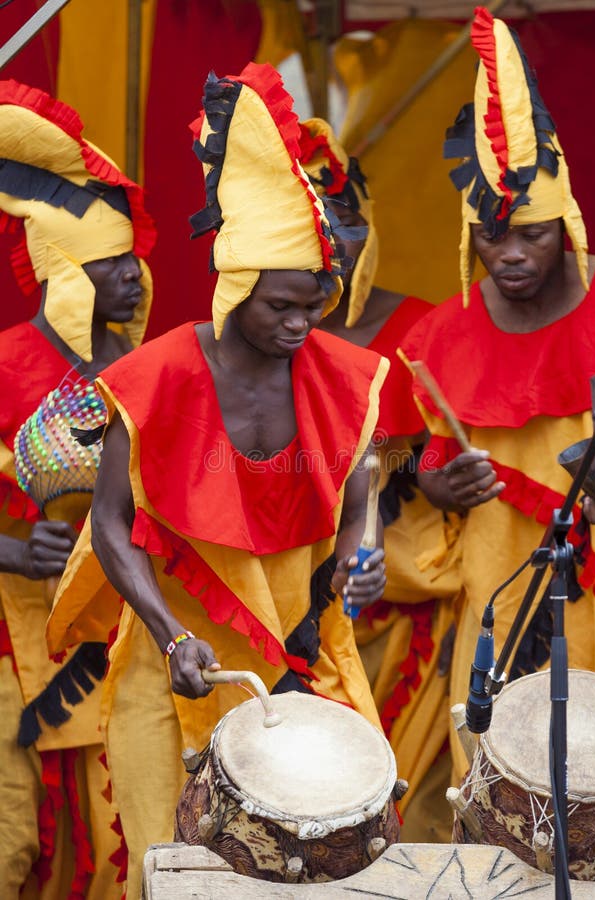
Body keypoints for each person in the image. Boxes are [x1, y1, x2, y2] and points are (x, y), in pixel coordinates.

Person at [47, 63, 389, 899]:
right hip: (174, 664)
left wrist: (364, 551)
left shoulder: (342, 375)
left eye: (315, 304)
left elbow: (362, 489)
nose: (302, 324)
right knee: (175, 878)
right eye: (282, 306)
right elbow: (110, 524)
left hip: (305, 659)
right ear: (236, 288)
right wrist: (169, 636)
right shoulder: (156, 376)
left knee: (334, 872)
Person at [402, 6, 595, 786]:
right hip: (500, 598)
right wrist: (431, 481)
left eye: (531, 235)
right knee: (505, 782)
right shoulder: (436, 337)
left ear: (567, 223)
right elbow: (396, 473)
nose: (508, 255)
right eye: (489, 236)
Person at [0, 81, 156, 898]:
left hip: (127, 637)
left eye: (134, 261)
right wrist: (15, 549)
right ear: (61, 270)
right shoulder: (2, 365)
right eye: (111, 266)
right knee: (13, 836)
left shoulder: (150, 368)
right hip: (12, 642)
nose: (133, 277)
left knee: (121, 834)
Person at [297, 118, 461, 841]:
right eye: (319, 215)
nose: (339, 234)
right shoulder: (270, 329)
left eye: (350, 216)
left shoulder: (423, 323)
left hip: (408, 572)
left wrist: (429, 474)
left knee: (411, 781)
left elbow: (441, 443)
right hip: (300, 561)